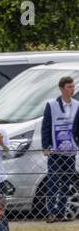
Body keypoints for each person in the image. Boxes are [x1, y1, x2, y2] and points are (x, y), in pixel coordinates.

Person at [39, 75, 79, 223]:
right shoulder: (51, 104)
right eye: (69, 87)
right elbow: (46, 126)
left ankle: (61, 213)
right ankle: (51, 213)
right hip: (55, 150)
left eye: (73, 87)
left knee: (66, 182)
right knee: (53, 182)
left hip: (70, 150)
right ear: (62, 89)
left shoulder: (77, 105)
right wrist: (45, 146)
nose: (72, 90)